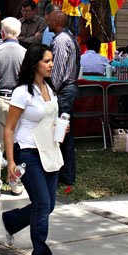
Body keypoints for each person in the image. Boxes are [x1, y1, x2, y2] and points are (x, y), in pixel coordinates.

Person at [1, 44, 63, 255]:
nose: (51, 64)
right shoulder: (22, 92)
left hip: (50, 151)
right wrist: (11, 161)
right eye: (46, 61)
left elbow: (50, 118)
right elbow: (9, 128)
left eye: (51, 60)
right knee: (42, 204)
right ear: (35, 63)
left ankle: (12, 221)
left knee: (48, 205)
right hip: (27, 153)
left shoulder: (49, 88)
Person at [0, 17, 26, 197]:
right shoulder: (26, 54)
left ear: (2, 33)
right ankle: (16, 184)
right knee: (17, 143)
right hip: (19, 101)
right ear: (19, 32)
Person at [47, 10, 80, 186]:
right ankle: (65, 173)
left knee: (61, 133)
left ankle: (64, 174)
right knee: (65, 132)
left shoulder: (60, 41)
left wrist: (50, 91)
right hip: (69, 89)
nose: (46, 21)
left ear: (55, 22)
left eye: (49, 18)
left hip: (63, 91)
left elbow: (57, 71)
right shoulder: (69, 37)